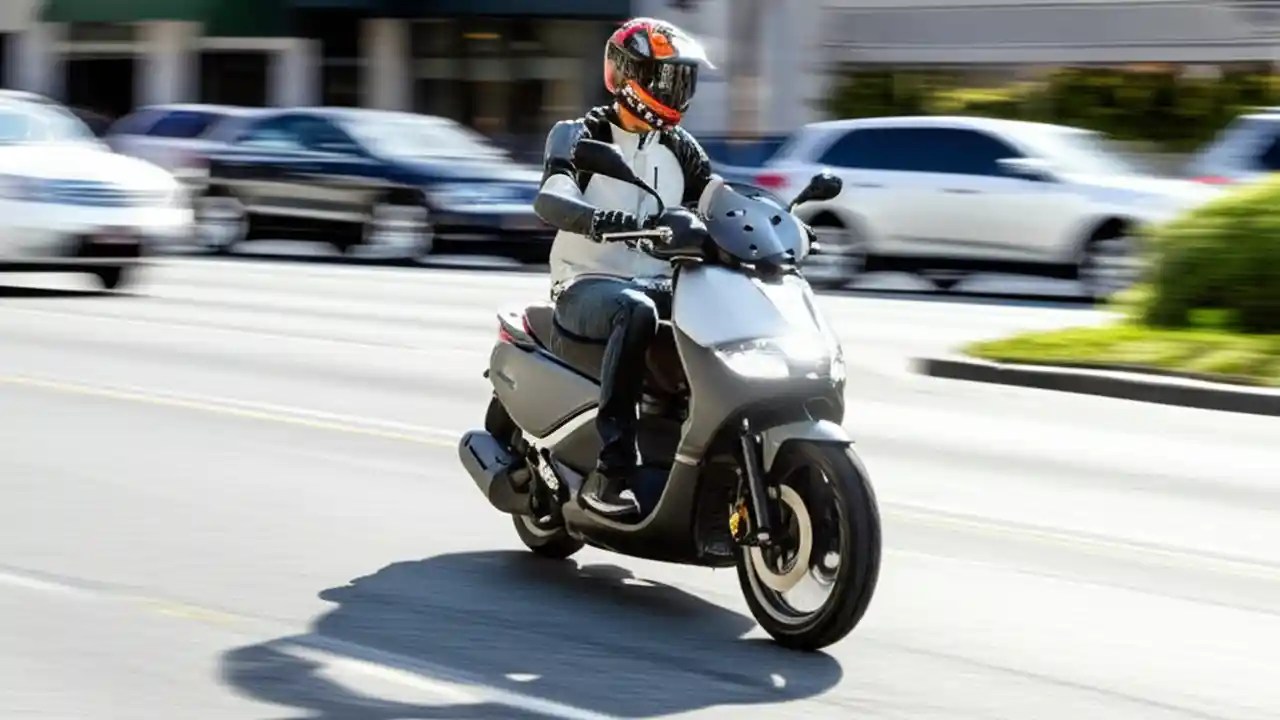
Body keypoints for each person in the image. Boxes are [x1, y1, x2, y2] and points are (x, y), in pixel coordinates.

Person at [532, 17, 716, 520]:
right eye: (667, 79)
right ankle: (611, 474)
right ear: (628, 76)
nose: (679, 92)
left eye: (685, 80)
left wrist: (778, 225)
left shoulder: (682, 149)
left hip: (659, 284)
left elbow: (721, 204)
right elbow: (552, 196)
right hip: (587, 285)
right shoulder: (580, 134)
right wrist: (594, 218)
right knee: (633, 312)